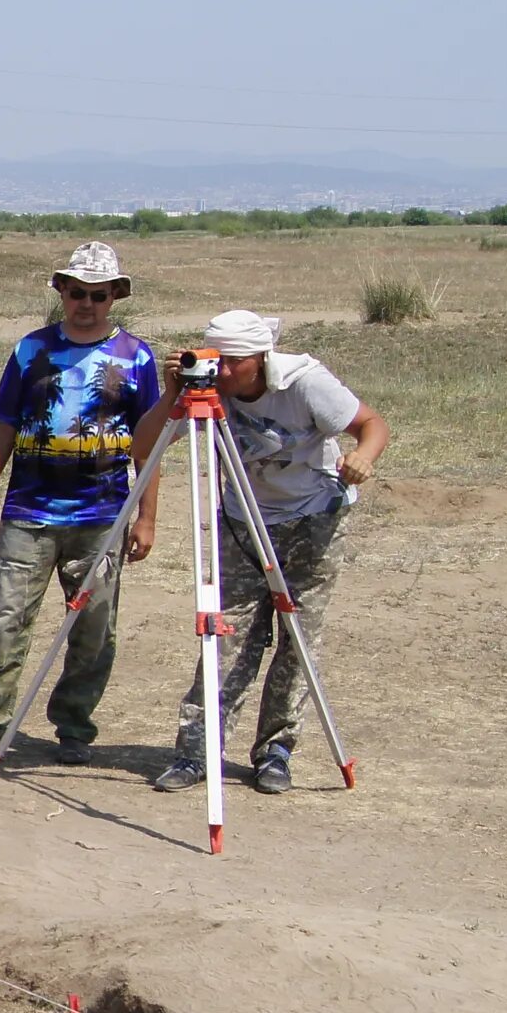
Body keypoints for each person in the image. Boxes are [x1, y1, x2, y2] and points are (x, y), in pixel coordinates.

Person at [133, 309, 391, 795]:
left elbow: (372, 423)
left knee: (297, 637)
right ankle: (196, 750)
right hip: (243, 521)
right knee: (226, 634)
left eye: (233, 362)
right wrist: (174, 393)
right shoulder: (203, 387)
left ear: (261, 359)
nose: (223, 372)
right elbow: (143, 447)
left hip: (315, 517)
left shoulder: (305, 382)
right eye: (217, 360)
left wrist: (362, 456)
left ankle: (276, 750)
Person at [0, 241, 164, 769]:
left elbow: (151, 442)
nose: (86, 304)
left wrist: (147, 517)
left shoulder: (136, 358)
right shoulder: (30, 351)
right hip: (29, 511)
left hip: (102, 516)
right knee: (5, 619)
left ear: (115, 297)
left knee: (94, 627)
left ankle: (73, 726)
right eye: (76, 293)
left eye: (97, 295)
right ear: (61, 292)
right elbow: (3, 425)